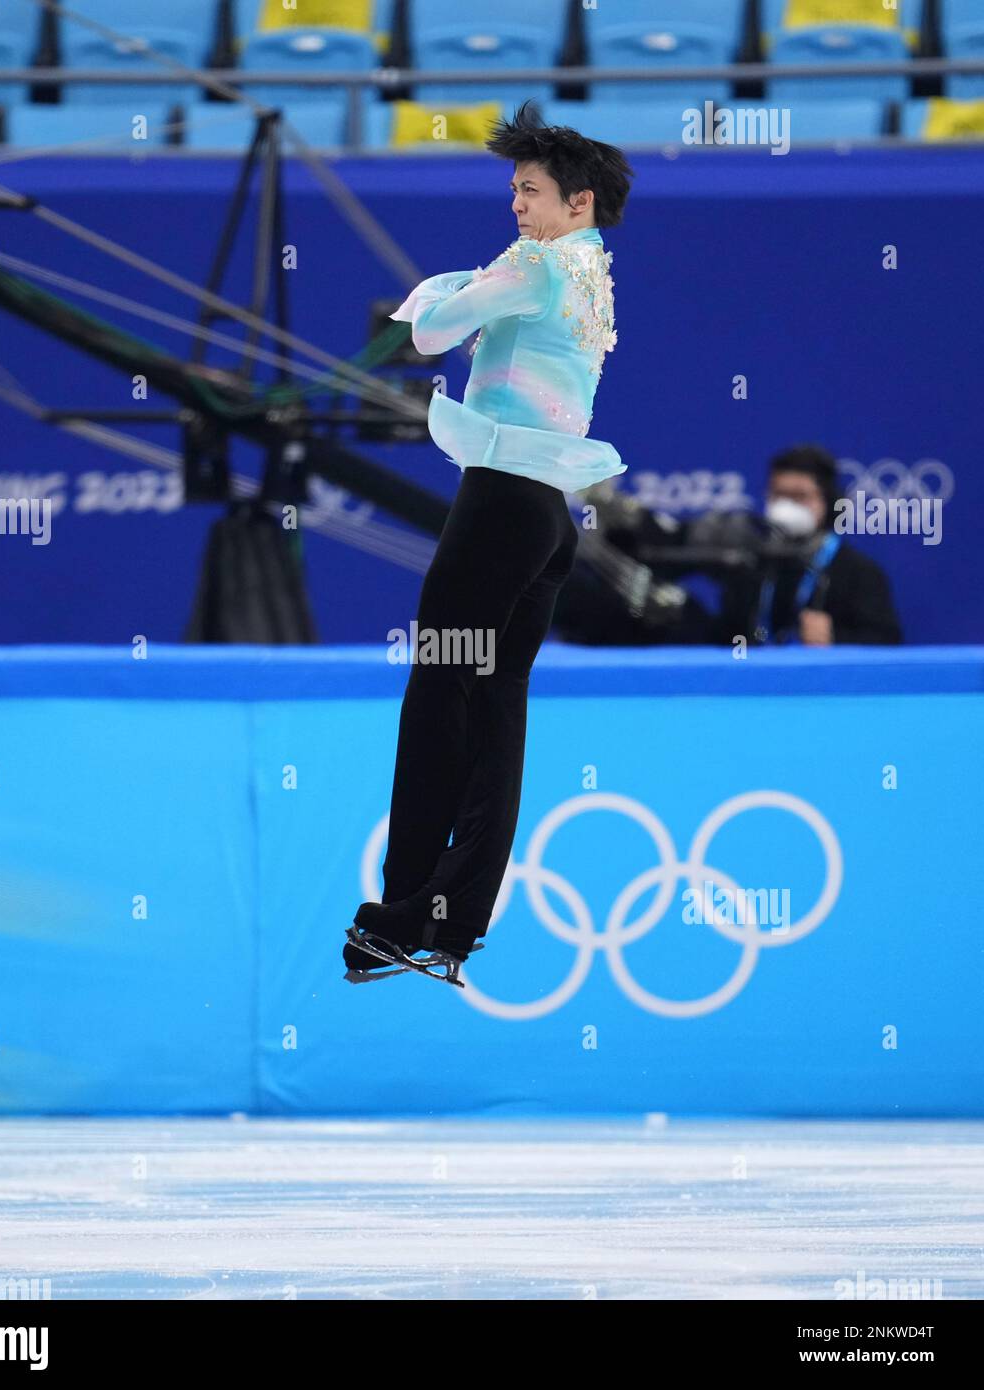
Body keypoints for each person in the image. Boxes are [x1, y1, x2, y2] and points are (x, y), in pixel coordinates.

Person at [343, 100, 635, 985]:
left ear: (576, 202)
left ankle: (401, 916)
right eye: (513, 188)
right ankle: (451, 921)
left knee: (439, 694)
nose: (516, 204)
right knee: (495, 708)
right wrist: (449, 294)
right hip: (546, 519)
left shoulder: (542, 264)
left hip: (502, 504)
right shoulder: (592, 275)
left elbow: (424, 330)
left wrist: (433, 293)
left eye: (531, 190)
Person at [716, 444, 903, 646]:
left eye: (799, 496)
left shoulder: (860, 572)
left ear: (828, 502)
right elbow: (726, 639)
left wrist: (835, 638)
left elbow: (887, 643)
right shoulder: (751, 566)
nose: (786, 507)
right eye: (778, 495)